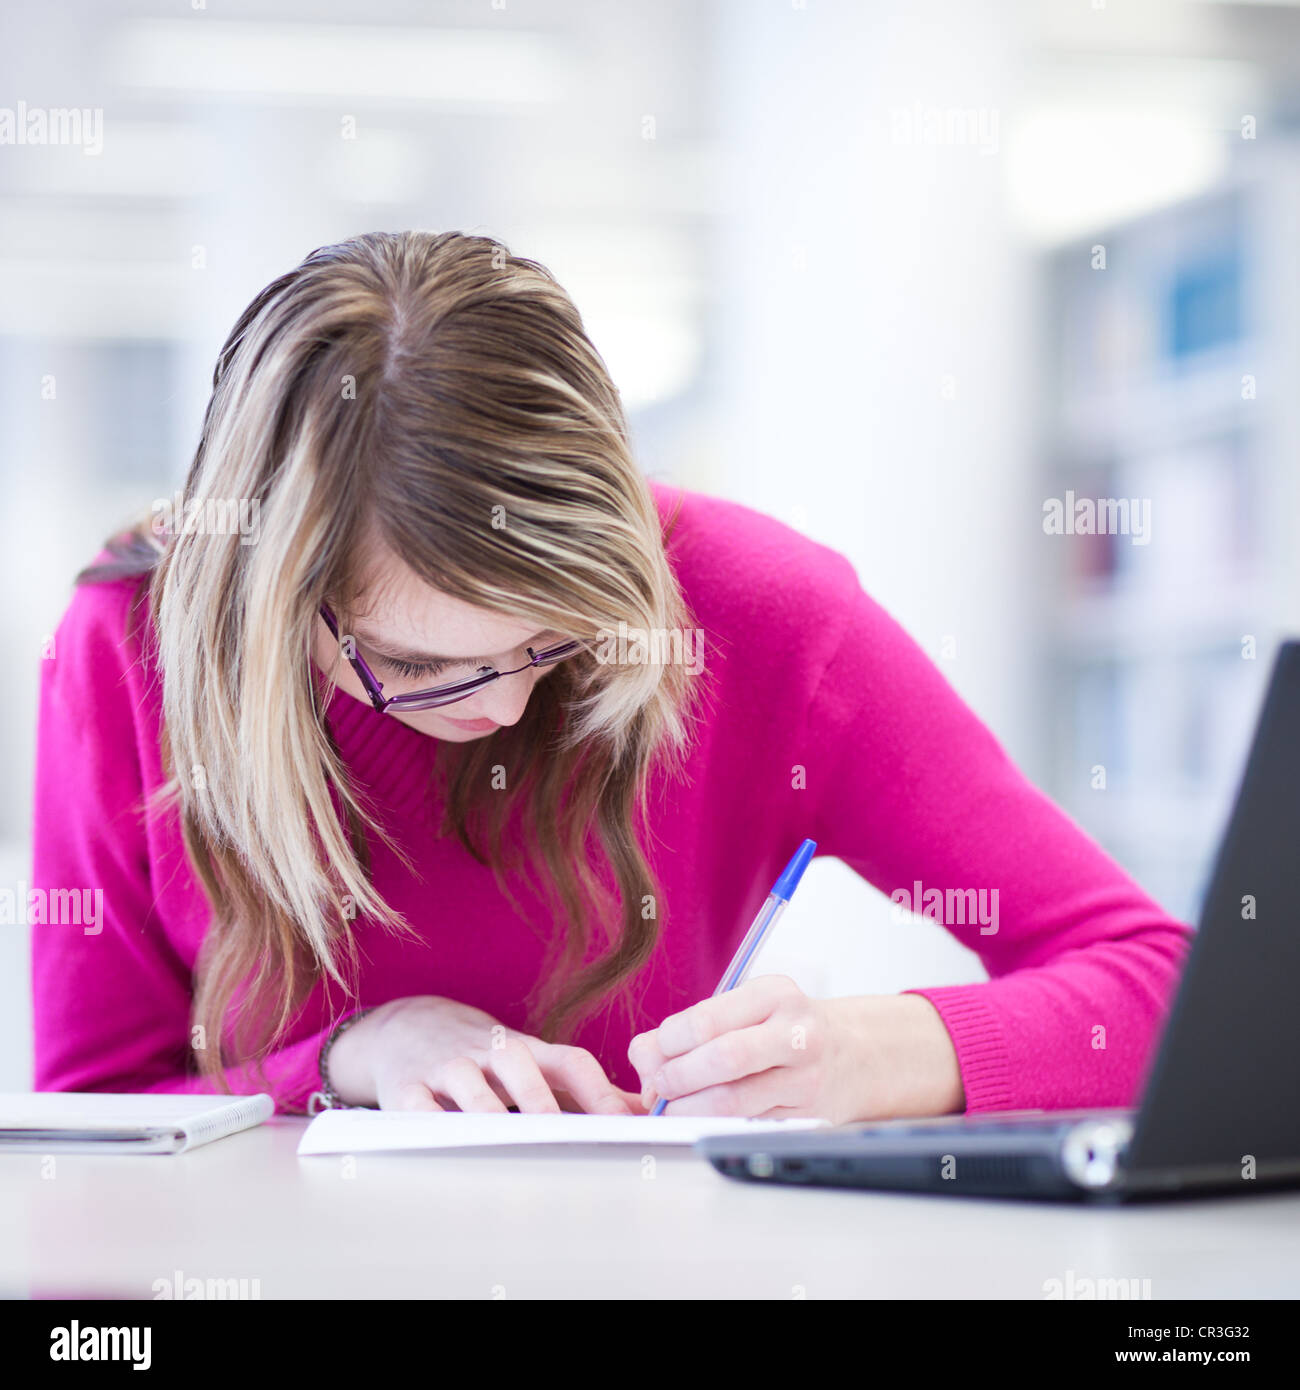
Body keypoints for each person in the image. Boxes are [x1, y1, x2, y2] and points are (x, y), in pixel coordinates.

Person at [31, 230, 1192, 1120]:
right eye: (420, 665)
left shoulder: (758, 612)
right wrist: (345, 1058)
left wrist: (881, 1051)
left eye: (557, 638)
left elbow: (1162, 985)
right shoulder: (134, 639)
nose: (504, 705)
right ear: (275, 598)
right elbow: (92, 1121)